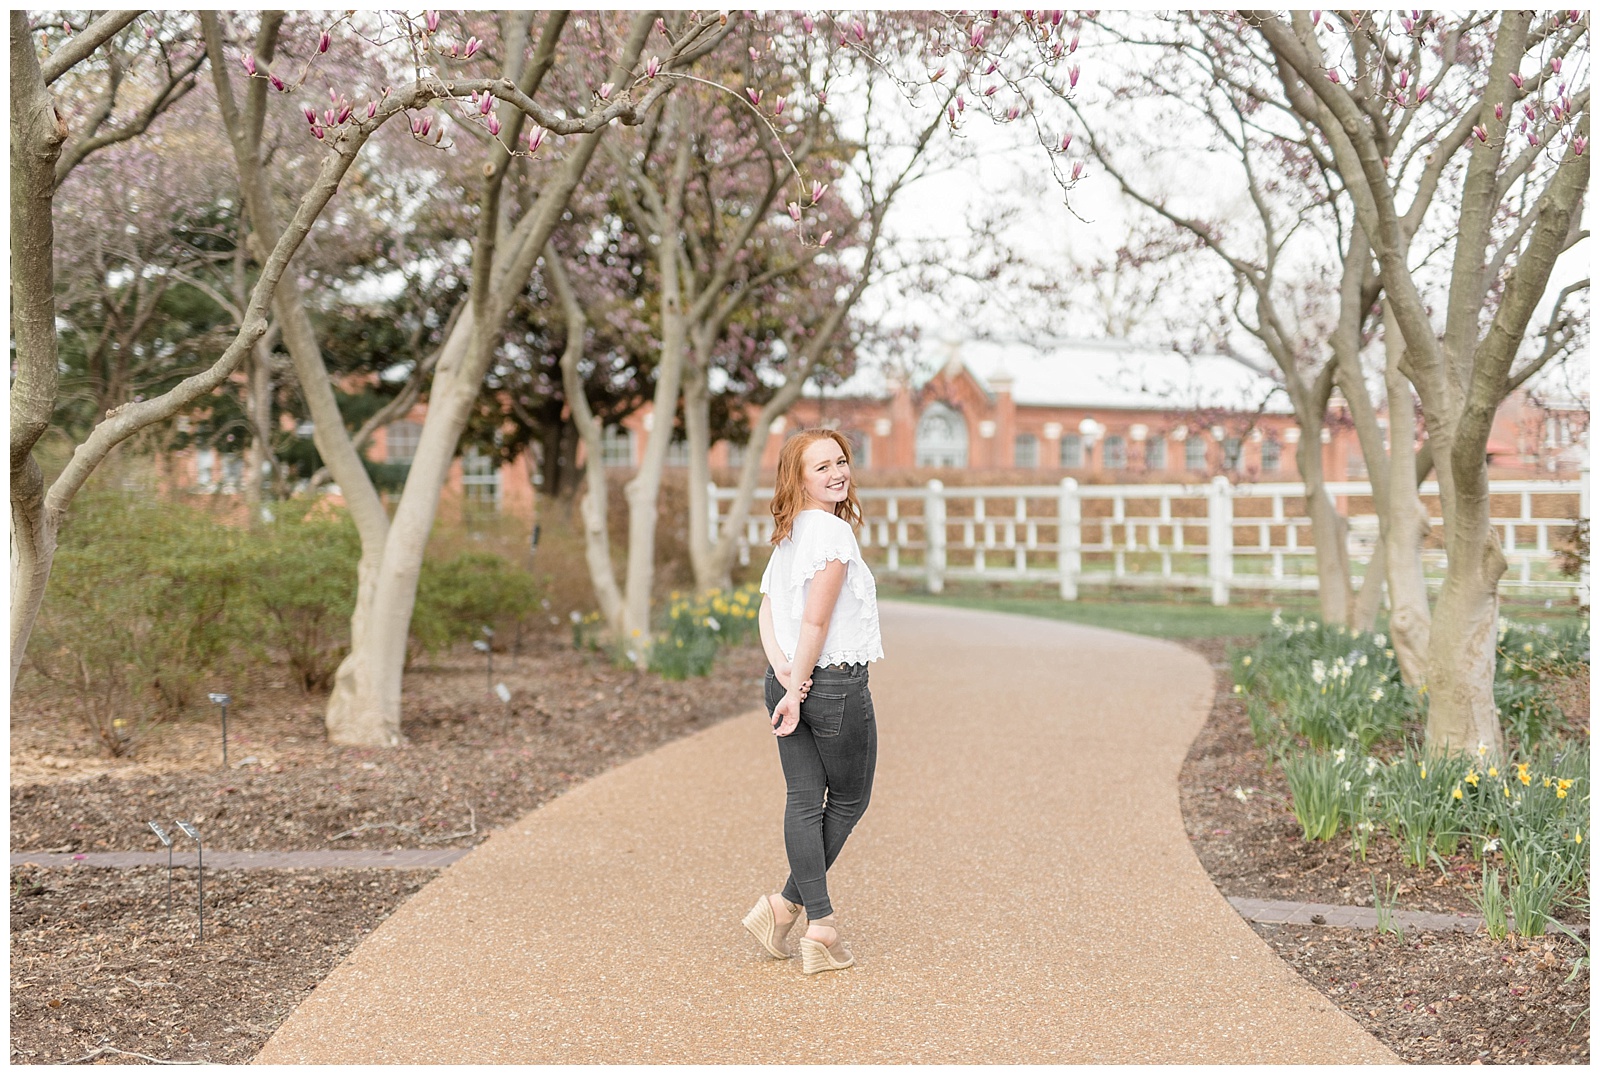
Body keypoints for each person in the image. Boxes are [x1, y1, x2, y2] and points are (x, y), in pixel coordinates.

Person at [742, 429, 883, 975]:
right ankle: (818, 926)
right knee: (847, 800)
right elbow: (817, 623)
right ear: (798, 477)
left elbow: (767, 610)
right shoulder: (829, 532)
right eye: (821, 467)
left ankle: (783, 907)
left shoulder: (790, 530)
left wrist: (780, 671)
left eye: (841, 461)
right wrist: (798, 689)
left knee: (804, 799)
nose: (837, 473)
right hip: (830, 687)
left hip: (787, 679)